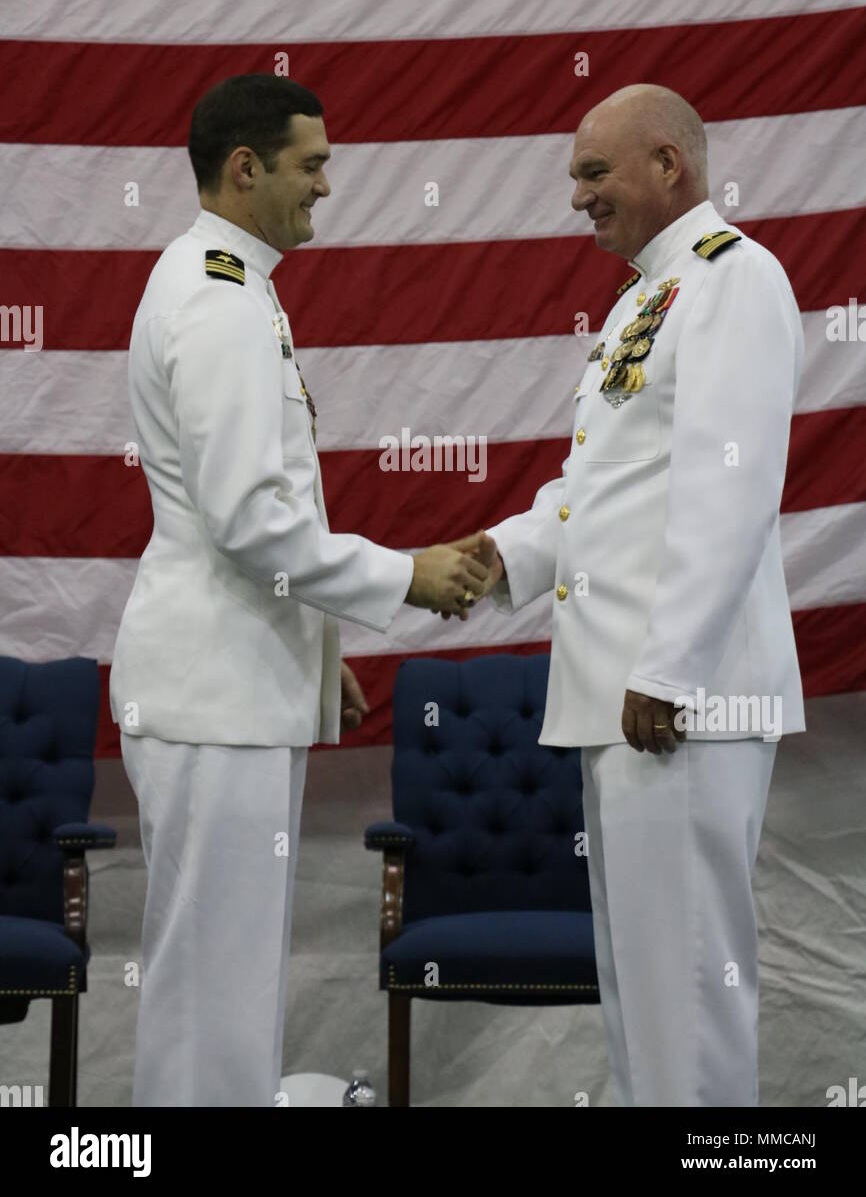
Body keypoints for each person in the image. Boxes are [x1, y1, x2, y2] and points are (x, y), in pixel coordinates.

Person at [110, 74, 494, 1107]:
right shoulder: (218, 295)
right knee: (212, 1000)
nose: (326, 184)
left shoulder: (228, 281)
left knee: (221, 987)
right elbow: (248, 523)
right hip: (211, 692)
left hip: (230, 683)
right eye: (311, 163)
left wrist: (317, 654)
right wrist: (404, 573)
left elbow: (254, 514)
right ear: (246, 167)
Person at [449, 84, 805, 1106]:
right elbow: (600, 494)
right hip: (629, 700)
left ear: (667, 164)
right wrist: (495, 556)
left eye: (592, 173)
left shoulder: (733, 281)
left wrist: (666, 669)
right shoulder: (647, 298)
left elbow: (725, 487)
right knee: (644, 999)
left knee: (685, 995)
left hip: (678, 700)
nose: (575, 198)